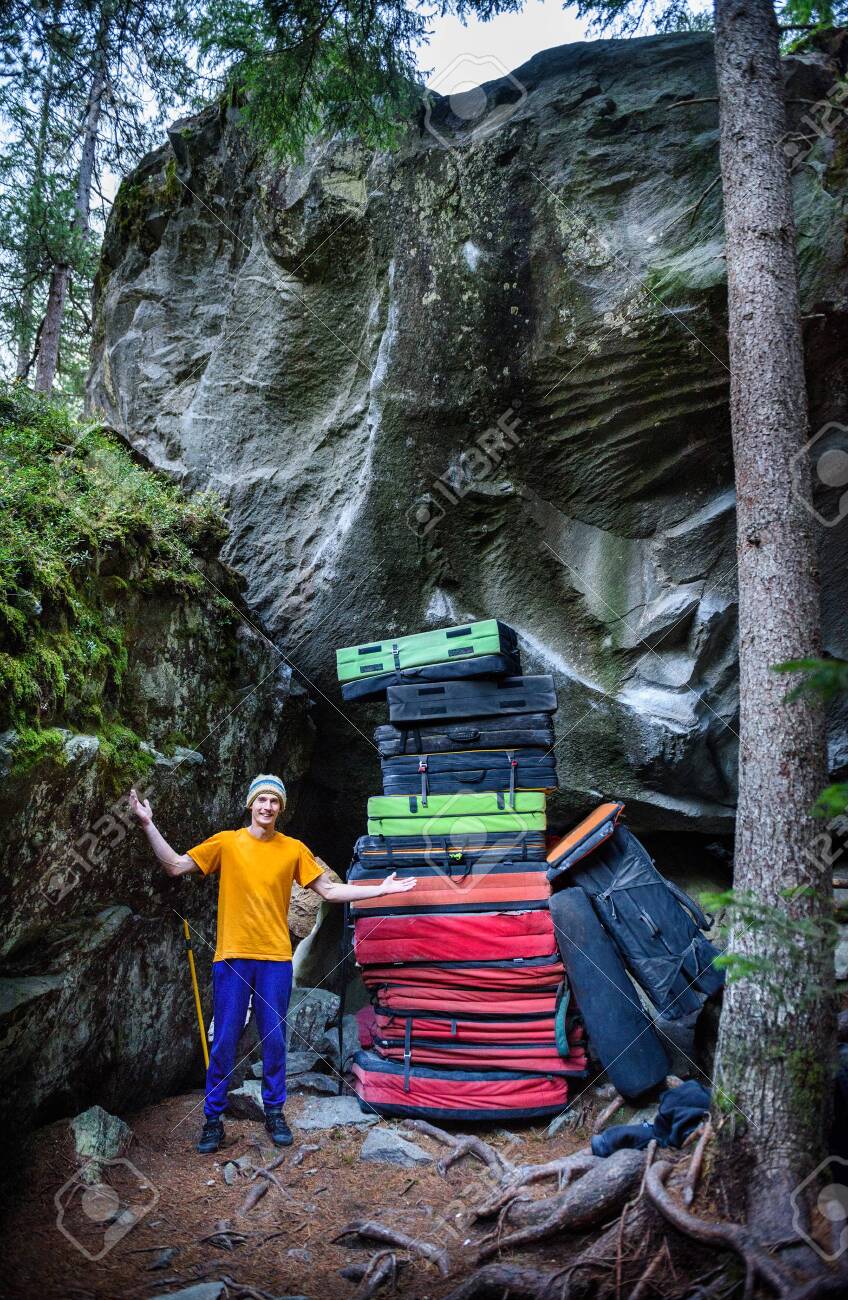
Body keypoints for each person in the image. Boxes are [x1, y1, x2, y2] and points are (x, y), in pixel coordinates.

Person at [129, 774, 415, 1153]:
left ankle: (275, 1112)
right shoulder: (226, 843)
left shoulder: (293, 849)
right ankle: (213, 1119)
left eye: (274, 801)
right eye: (261, 800)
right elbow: (175, 866)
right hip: (232, 956)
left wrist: (380, 889)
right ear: (251, 804)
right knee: (225, 1039)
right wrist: (148, 824)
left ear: (281, 807)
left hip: (276, 960)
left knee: (274, 1040)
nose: (267, 807)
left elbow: (329, 890)